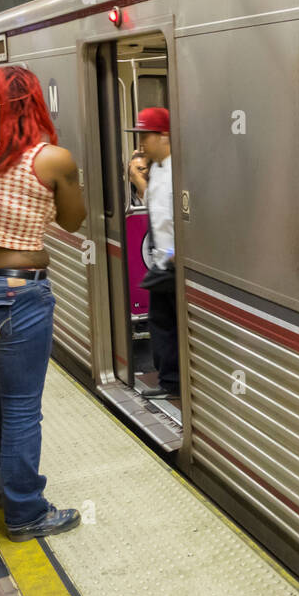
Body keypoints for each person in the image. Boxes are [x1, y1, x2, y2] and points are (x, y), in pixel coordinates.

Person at [0, 65, 86, 541]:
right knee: (24, 403)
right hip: (16, 294)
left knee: (8, 386)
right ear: (33, 104)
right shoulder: (51, 160)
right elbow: (75, 220)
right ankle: (26, 512)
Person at [125, 107, 180, 399]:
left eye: (147, 135)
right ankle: (170, 380)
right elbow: (157, 207)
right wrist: (138, 179)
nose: (142, 142)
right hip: (163, 261)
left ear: (164, 135)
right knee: (161, 323)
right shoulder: (157, 167)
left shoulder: (179, 168)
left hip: (175, 262)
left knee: (168, 324)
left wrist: (174, 254)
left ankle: (173, 382)